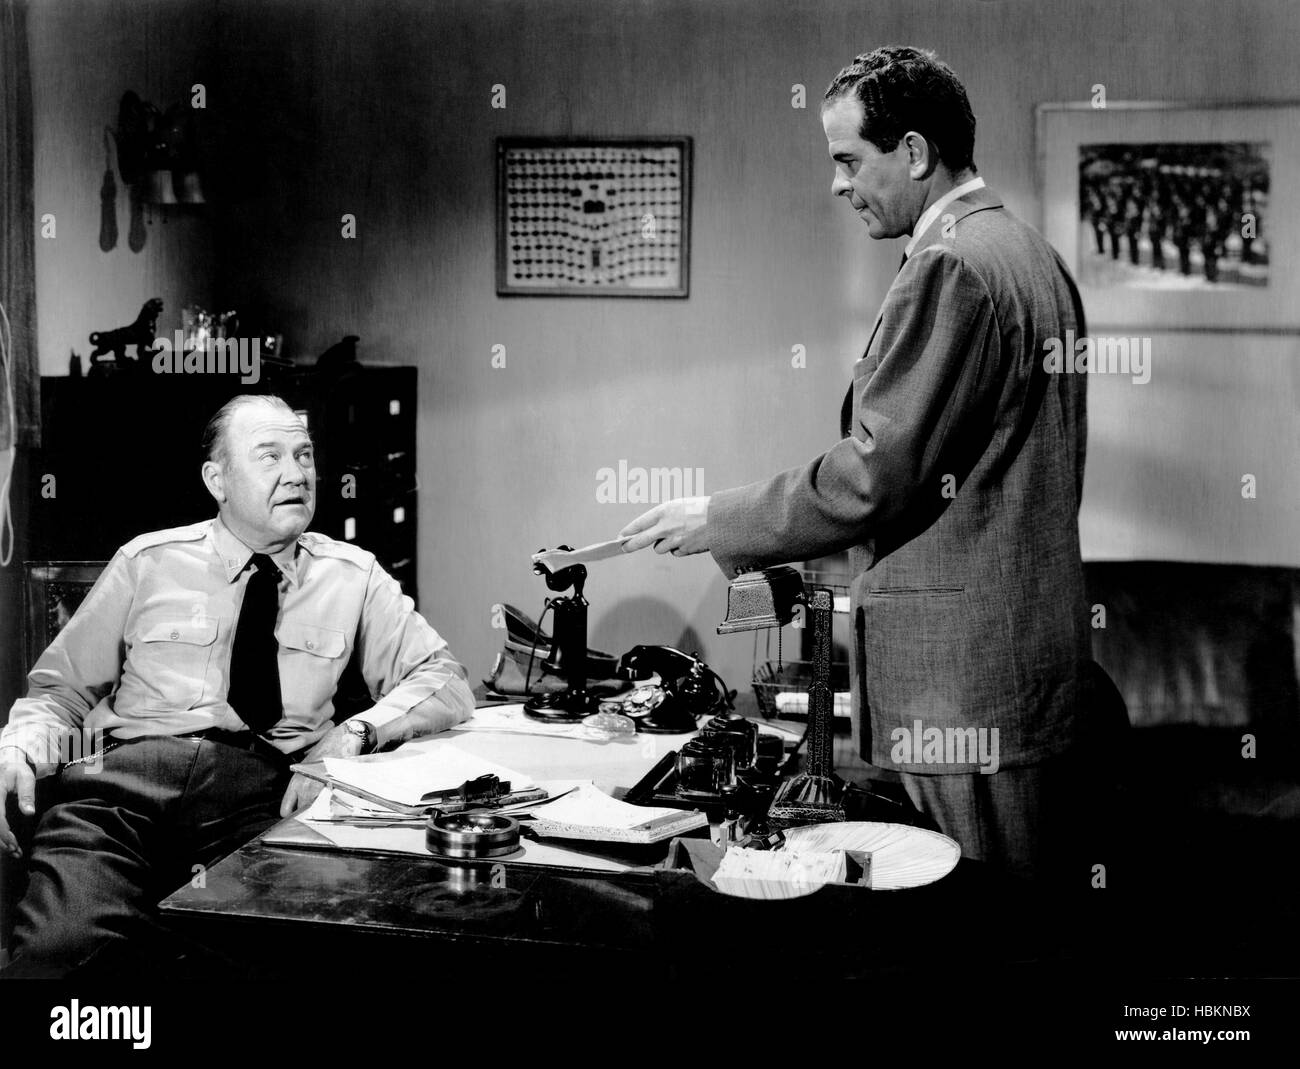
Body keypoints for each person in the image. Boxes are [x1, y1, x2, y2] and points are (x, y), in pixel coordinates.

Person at [621, 46, 1094, 881]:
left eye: (848, 160)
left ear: (913, 153)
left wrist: (718, 518)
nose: (838, 184)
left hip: (962, 684)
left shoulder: (951, 266)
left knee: (970, 925)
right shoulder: (1031, 254)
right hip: (1027, 672)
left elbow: (875, 474)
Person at [0, 394, 475, 976]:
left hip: (263, 796)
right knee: (63, 952)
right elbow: (58, 691)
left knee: (313, 950)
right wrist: (21, 744)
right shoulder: (148, 562)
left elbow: (445, 679)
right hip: (117, 789)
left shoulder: (352, 575)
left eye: (304, 455)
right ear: (217, 480)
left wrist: (356, 732)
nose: (296, 472)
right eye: (269, 456)